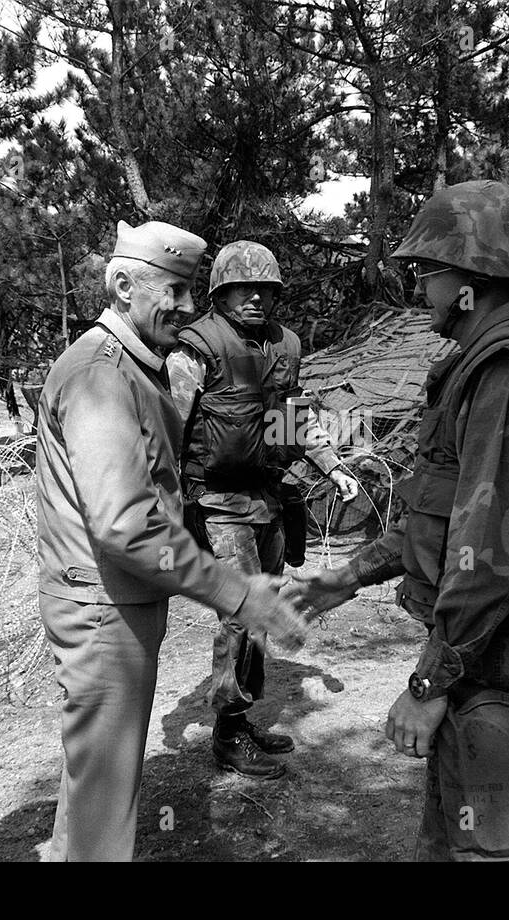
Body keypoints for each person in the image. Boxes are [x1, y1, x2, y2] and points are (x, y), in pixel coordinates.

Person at [290, 180, 509, 861]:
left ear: (472, 275)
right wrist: (344, 577)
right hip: (484, 658)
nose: (422, 287)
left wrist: (429, 684)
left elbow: (490, 552)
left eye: (428, 271)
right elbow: (443, 516)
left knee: (496, 848)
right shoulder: (481, 363)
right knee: (456, 842)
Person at [35, 220, 307, 861]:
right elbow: (127, 524)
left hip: (118, 595)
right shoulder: (104, 375)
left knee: (99, 777)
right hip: (104, 601)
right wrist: (233, 590)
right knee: (107, 795)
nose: (188, 309)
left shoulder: (134, 366)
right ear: (124, 286)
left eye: (193, 292)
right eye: (177, 291)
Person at [167, 240, 359, 779]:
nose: (254, 296)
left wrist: (332, 465)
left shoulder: (285, 344)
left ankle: (240, 716)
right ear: (220, 292)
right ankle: (227, 733)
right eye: (241, 288)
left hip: (269, 496)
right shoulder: (195, 348)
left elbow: (295, 418)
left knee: (265, 607)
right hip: (218, 501)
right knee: (241, 611)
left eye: (264, 289)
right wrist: (166, 505)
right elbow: (168, 429)